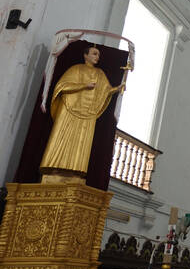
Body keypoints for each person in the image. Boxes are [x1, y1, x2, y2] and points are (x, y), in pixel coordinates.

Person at [40, 44, 127, 177]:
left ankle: (75, 170)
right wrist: (83, 86)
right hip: (69, 108)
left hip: (88, 112)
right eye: (94, 53)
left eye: (98, 55)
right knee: (62, 138)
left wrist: (118, 88)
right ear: (85, 55)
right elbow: (62, 86)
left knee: (81, 142)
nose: (97, 57)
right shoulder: (76, 69)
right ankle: (54, 167)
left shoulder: (99, 73)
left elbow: (106, 90)